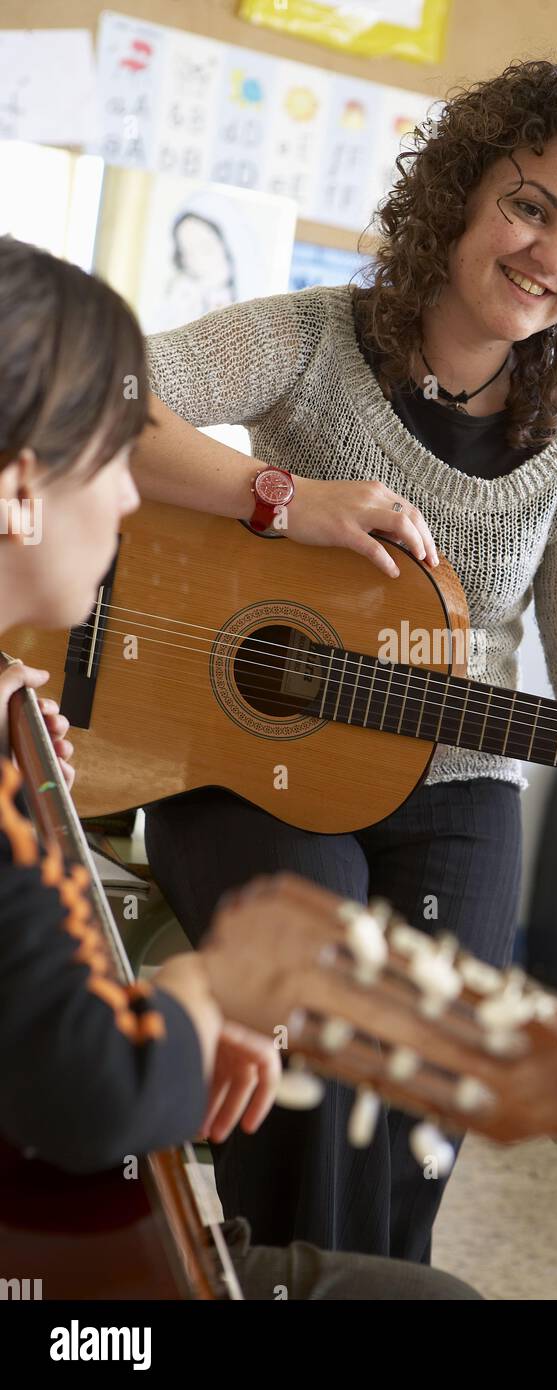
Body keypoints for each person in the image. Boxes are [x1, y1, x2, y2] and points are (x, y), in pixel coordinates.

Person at [132, 59, 557, 1260]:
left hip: (456, 784)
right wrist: (277, 495)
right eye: (531, 206)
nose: (554, 257)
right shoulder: (309, 338)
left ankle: (385, 1284)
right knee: (326, 997)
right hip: (242, 757)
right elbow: (105, 393)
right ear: (455, 198)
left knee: (428, 1070)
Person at [0, 233, 479, 1300]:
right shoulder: (310, 332)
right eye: (108, 461)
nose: (133, 501)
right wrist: (212, 985)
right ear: (19, 487)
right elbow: (87, 1089)